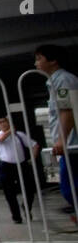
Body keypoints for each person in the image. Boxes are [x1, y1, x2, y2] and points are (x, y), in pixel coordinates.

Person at [35, 44, 77, 231]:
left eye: (39, 58)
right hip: (69, 145)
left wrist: (61, 140)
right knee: (71, 190)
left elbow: (67, 111)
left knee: (71, 190)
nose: (36, 63)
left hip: (73, 146)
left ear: (53, 60)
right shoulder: (54, 81)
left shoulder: (64, 80)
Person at [0, 116, 40, 223]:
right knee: (10, 193)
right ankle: (16, 216)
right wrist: (10, 131)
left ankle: (26, 207)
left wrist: (31, 160)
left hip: (21, 165)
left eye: (4, 121)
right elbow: (1, 139)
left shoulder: (19, 135)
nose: (3, 124)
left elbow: (35, 145)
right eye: (0, 122)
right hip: (6, 166)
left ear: (9, 122)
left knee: (30, 190)